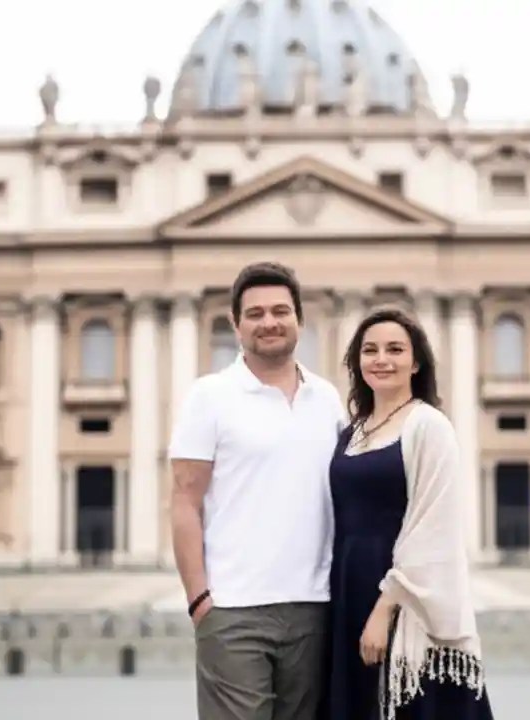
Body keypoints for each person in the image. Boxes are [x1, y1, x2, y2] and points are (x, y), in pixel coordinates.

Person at [168, 261, 347, 720]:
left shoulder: (328, 399)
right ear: (236, 324)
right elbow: (185, 500)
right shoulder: (209, 396)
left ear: (300, 320)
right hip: (232, 611)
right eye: (256, 313)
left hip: (314, 607)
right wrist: (199, 598)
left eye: (280, 311)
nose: (269, 322)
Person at [326, 307, 494, 720]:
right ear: (357, 361)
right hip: (348, 590)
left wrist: (386, 608)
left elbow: (433, 525)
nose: (381, 359)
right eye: (370, 350)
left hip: (402, 600)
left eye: (395, 349)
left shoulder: (428, 425)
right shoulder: (352, 432)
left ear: (415, 362)